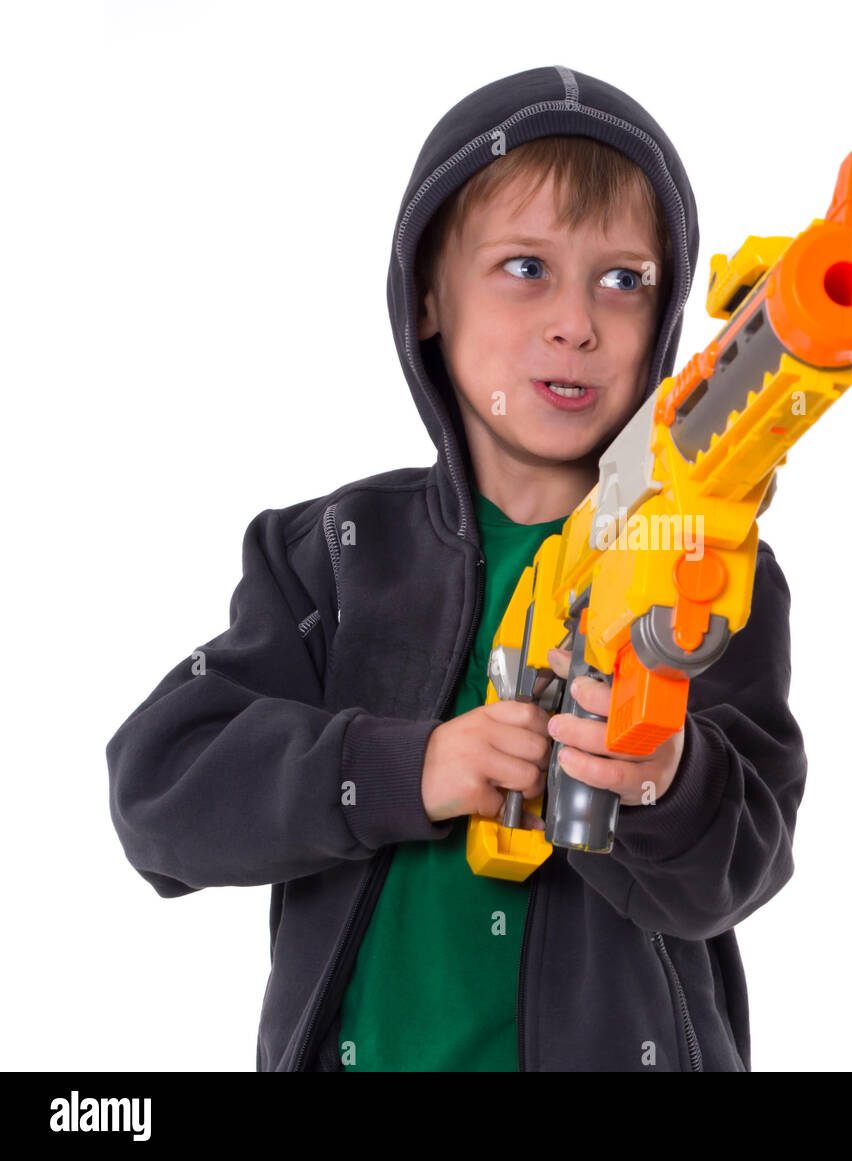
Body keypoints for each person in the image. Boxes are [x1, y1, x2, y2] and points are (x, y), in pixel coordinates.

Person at [106, 65, 807, 1072]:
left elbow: (737, 870)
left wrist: (663, 781)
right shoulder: (330, 554)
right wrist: (401, 770)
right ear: (429, 298)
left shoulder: (705, 563)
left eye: (623, 280)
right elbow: (159, 794)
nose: (577, 320)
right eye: (526, 266)